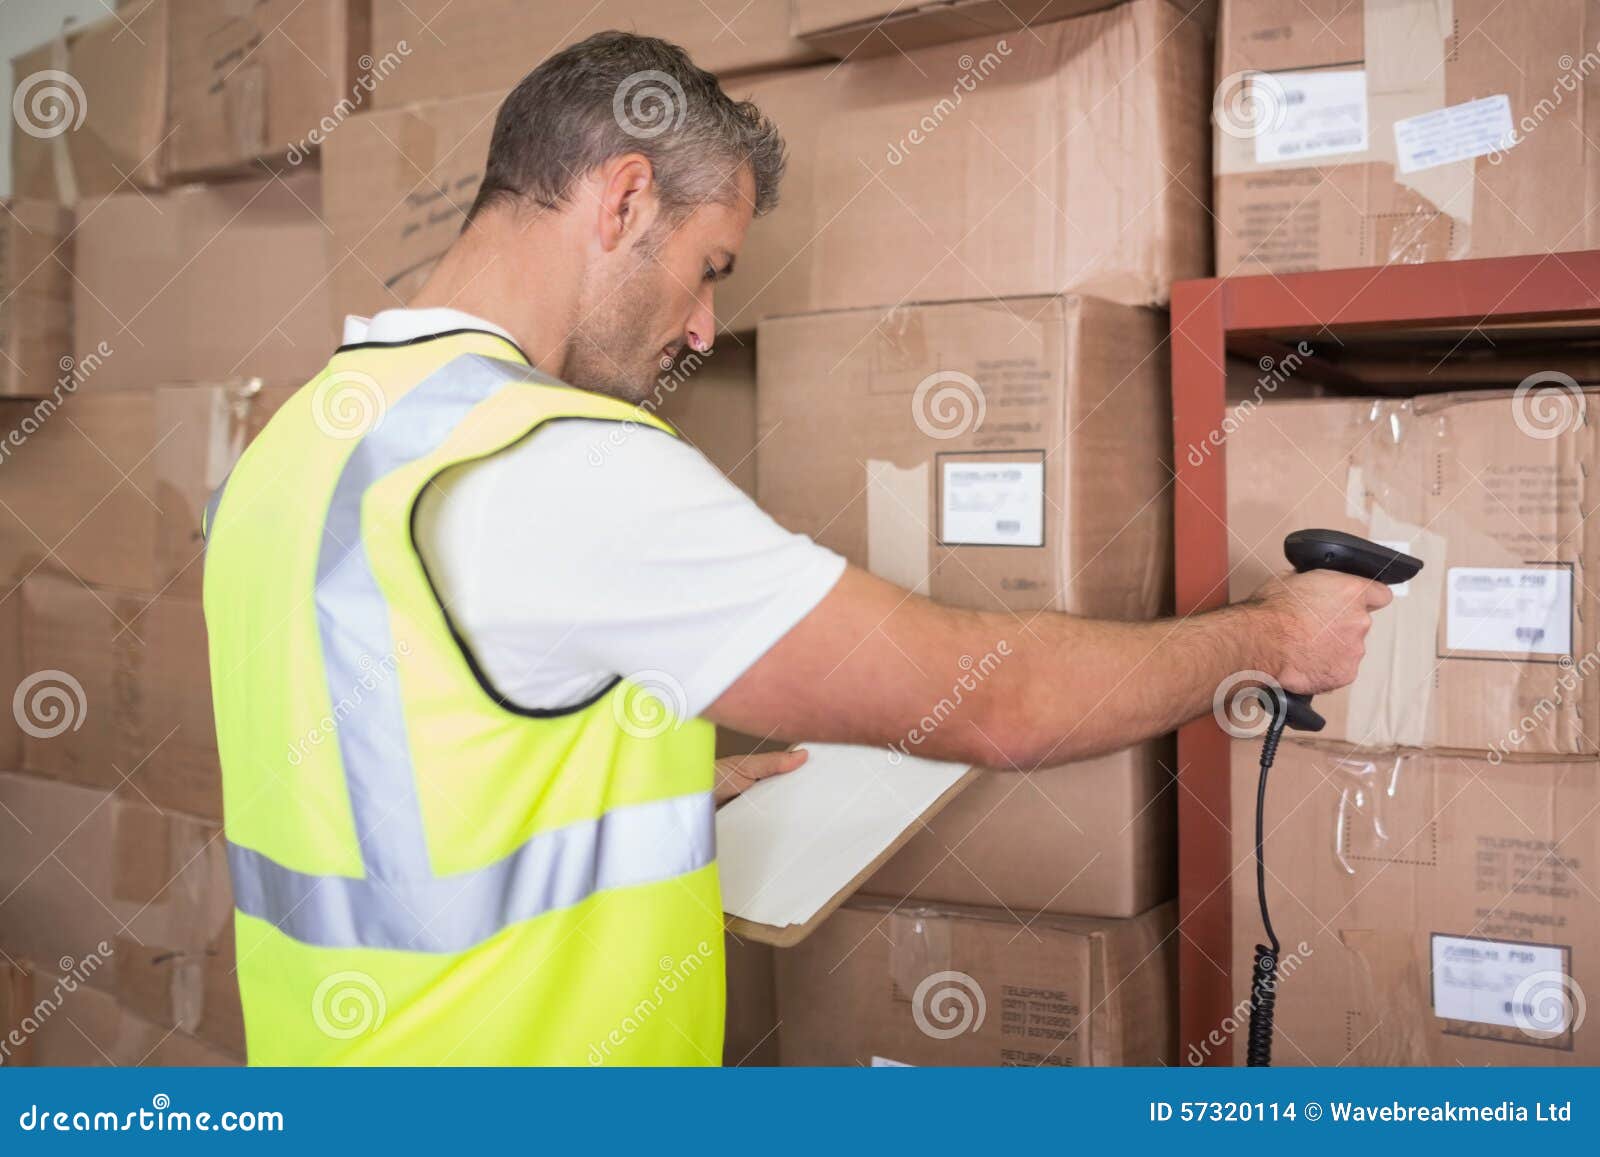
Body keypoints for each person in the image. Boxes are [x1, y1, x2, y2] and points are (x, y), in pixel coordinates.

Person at [201, 31, 1391, 1066]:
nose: (705, 325)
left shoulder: (299, 443)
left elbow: (373, 762)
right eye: (708, 266)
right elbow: (997, 703)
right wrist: (1274, 635)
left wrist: (628, 794)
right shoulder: (556, 461)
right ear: (620, 201)